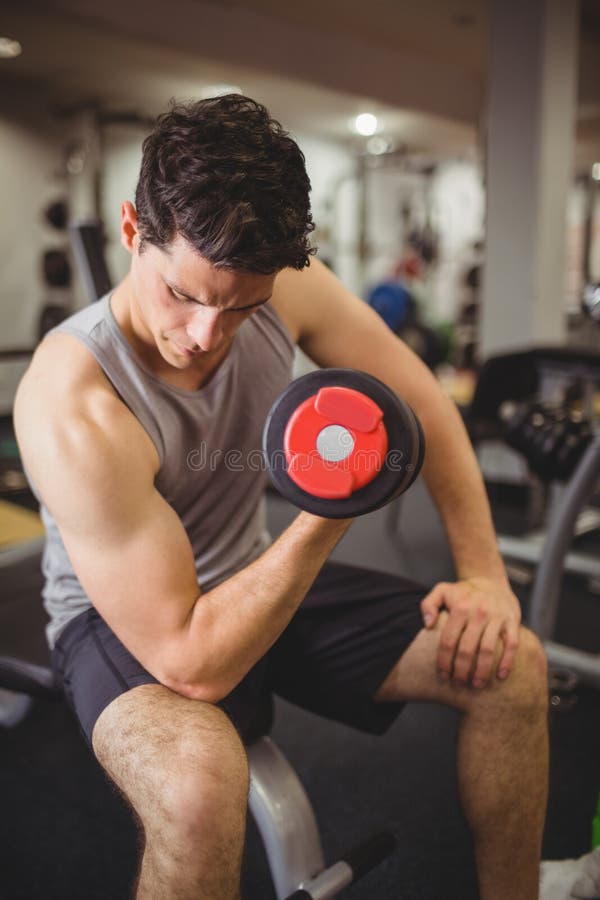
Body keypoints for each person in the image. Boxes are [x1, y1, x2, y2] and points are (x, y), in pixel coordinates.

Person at [14, 95, 548, 900]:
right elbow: (191, 661)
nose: (207, 335)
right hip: (121, 619)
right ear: (132, 229)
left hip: (250, 567)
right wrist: (332, 509)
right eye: (183, 294)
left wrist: (484, 575)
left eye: (242, 307)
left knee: (513, 666)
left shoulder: (291, 289)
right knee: (196, 787)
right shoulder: (72, 400)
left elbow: (423, 403)